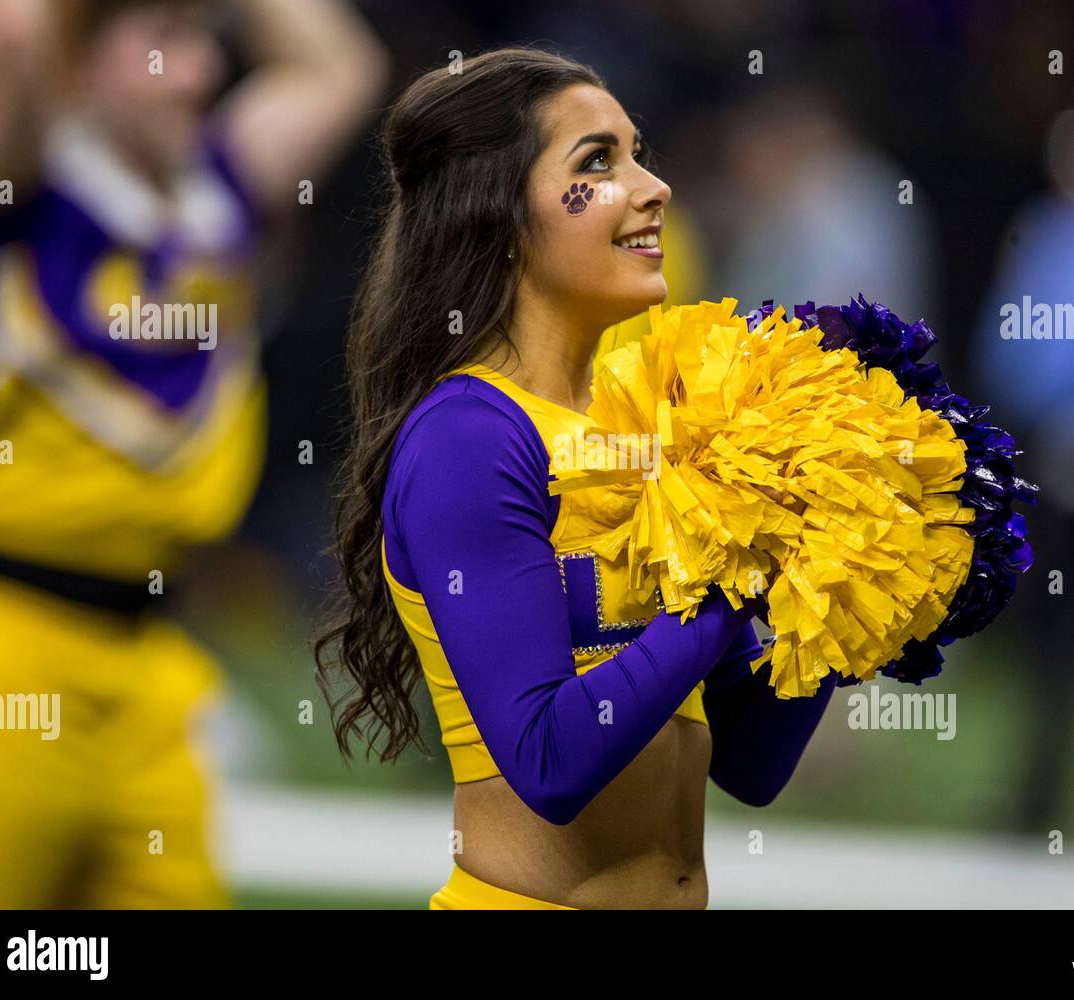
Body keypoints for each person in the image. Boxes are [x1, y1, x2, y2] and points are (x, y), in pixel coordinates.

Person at [317, 46, 837, 911]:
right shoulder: (470, 438)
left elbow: (752, 764)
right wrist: (734, 577)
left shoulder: (649, 430)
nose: (652, 186)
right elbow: (548, 760)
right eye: (598, 162)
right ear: (499, 211)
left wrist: (840, 584)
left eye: (638, 153)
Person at [0, 0, 388, 907]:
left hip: (154, 657)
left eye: (202, 41)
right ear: (76, 67)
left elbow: (339, 67)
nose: (197, 72)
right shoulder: (15, 189)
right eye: (160, 44)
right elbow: (5, 33)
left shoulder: (217, 190)